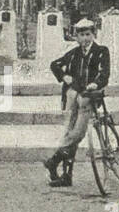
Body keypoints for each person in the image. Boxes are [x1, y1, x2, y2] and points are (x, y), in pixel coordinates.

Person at [42, 18, 111, 187]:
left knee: (78, 133)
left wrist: (95, 84)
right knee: (69, 131)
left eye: (88, 34)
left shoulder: (101, 51)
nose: (85, 38)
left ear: (93, 35)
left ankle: (54, 160)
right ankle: (66, 175)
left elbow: (104, 74)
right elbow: (55, 65)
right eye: (81, 35)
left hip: (89, 96)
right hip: (73, 97)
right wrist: (64, 76)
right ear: (76, 37)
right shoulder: (73, 54)